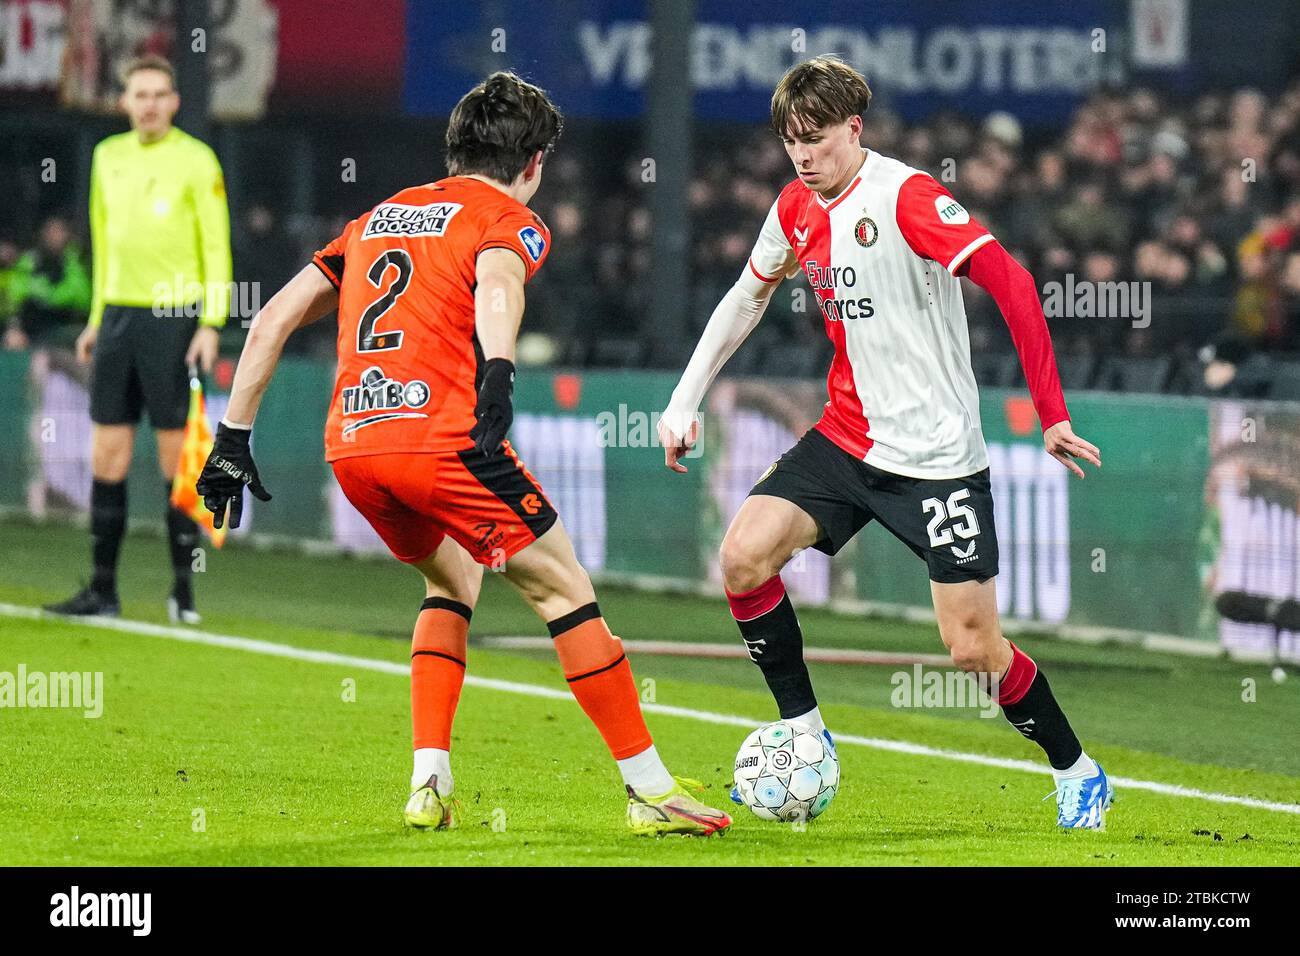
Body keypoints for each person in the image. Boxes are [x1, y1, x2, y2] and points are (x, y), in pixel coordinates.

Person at [194, 72, 731, 836]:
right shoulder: (507, 216)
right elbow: (498, 285)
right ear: (535, 162)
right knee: (564, 590)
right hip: (441, 440)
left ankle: (428, 785)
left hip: (354, 448)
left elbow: (272, 318)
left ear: (453, 149)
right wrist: (500, 373)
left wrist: (232, 440)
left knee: (453, 578)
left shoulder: (379, 216)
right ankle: (649, 789)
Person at [659, 56, 1113, 830]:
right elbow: (746, 297)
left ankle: (1077, 768)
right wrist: (683, 399)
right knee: (742, 557)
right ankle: (805, 734)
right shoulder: (794, 207)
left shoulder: (906, 197)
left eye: (818, 138)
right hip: (846, 436)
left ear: (855, 128)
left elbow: (1011, 281)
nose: (804, 155)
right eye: (790, 141)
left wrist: (1052, 412)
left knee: (972, 650)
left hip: (937, 459)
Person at [46, 54, 231, 624]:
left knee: (175, 461)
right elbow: (106, 246)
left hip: (174, 319)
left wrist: (210, 321)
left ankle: (183, 593)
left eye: (159, 94)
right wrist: (97, 319)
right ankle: (103, 592)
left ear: (173, 102)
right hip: (119, 321)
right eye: (139, 94)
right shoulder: (106, 158)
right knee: (108, 456)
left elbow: (216, 246)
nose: (148, 104)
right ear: (124, 102)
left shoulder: (198, 160)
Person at [4, 215, 92, 350]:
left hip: (65, 327)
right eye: (50, 230)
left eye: (59, 231)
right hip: (31, 331)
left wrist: (50, 294)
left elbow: (83, 298)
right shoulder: (31, 259)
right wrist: (14, 328)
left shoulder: (75, 259)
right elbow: (15, 299)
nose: (54, 236)